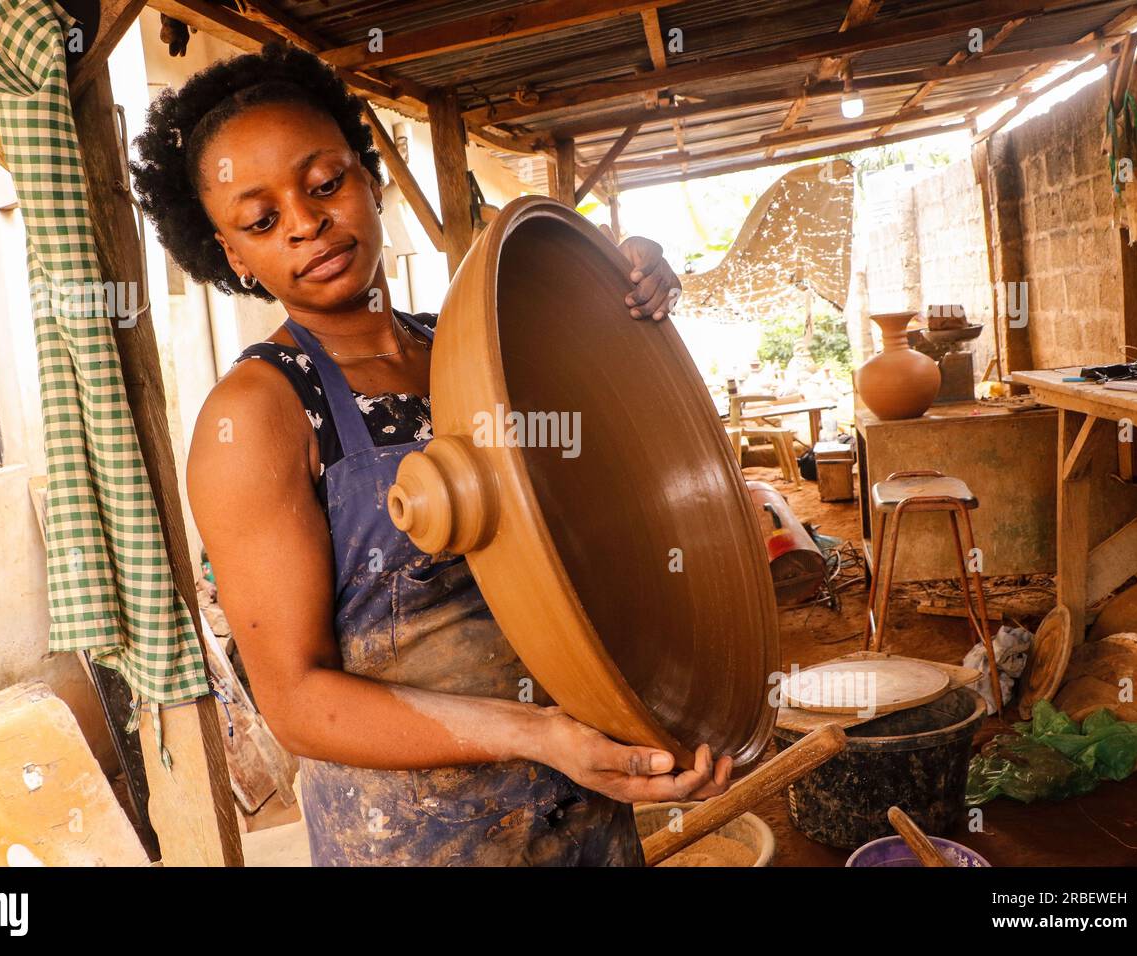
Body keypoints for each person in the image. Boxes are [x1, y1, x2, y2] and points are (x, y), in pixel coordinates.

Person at [130, 41, 730, 867]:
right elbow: (297, 702)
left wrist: (620, 291)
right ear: (234, 256)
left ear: (369, 179)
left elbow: (615, 486)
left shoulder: (474, 348)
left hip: (584, 806)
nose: (307, 224)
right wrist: (536, 734)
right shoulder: (262, 413)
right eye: (262, 221)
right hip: (420, 839)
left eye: (325, 183)